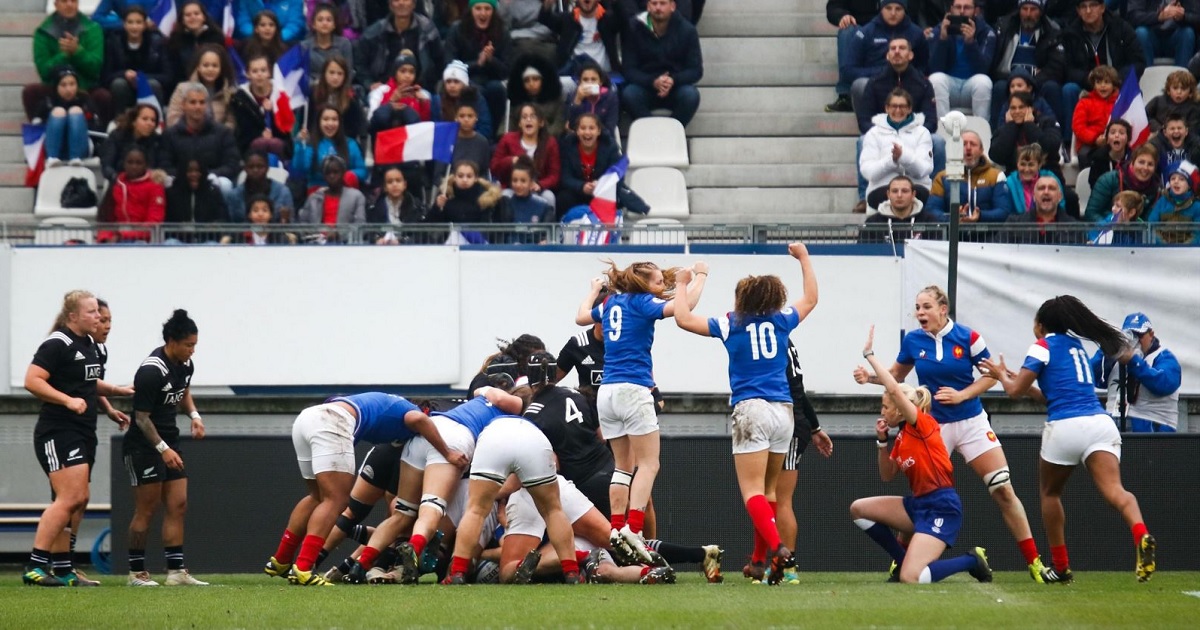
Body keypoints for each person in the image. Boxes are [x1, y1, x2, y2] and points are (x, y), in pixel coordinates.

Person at [853, 285, 1058, 582]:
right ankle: (903, 561)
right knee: (921, 493)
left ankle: (1034, 562)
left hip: (971, 420)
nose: (920, 313)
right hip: (934, 428)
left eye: (925, 307)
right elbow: (896, 377)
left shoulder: (968, 337)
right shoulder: (913, 340)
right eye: (917, 307)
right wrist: (868, 378)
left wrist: (962, 395)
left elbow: (991, 376)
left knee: (1002, 488)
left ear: (942, 309)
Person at [981, 296, 1157, 584]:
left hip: (1065, 427)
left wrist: (1002, 375)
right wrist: (1017, 381)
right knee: (1116, 491)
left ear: (1040, 325)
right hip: (1100, 423)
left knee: (1050, 494)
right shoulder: (1076, 347)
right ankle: (1141, 533)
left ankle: (1061, 567)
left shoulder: (1042, 346)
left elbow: (1013, 392)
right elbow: (1049, 394)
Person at [672, 242, 818, 585]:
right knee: (768, 493)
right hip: (784, 412)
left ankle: (780, 550)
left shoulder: (730, 322)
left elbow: (682, 318)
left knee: (751, 492)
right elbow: (811, 298)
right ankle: (757, 561)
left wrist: (681, 283)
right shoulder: (782, 321)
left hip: (751, 409)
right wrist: (804, 258)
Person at [573, 258, 708, 564]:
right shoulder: (642, 302)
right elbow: (684, 308)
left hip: (606, 392)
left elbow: (581, 316)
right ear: (645, 284)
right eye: (659, 282)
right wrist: (698, 278)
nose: (662, 286)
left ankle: (618, 528)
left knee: (622, 466)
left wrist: (594, 290)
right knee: (648, 465)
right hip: (634, 389)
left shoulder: (610, 303)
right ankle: (634, 529)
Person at [263, 392, 467, 586]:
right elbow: (419, 420)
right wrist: (448, 453)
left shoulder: (390, 404)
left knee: (317, 496)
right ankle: (304, 567)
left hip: (308, 418)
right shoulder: (413, 412)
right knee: (336, 500)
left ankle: (281, 560)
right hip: (332, 421)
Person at [851, 325, 993, 585]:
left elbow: (894, 388)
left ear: (900, 408)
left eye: (885, 407)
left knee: (912, 578)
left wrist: (869, 355)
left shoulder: (922, 423)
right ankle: (903, 559)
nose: (882, 412)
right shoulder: (902, 437)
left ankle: (972, 560)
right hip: (917, 505)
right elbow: (887, 475)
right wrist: (882, 442)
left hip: (942, 506)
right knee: (858, 509)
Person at [23, 290, 134, 587]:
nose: (98, 318)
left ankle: (63, 569)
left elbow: (86, 382)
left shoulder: (91, 346)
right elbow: (32, 380)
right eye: (93, 313)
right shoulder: (57, 342)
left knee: (79, 499)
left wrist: (113, 398)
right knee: (69, 498)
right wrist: (67, 401)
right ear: (73, 316)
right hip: (58, 430)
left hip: (84, 430)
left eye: (99, 313)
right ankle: (35, 566)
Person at [441, 386, 581, 585]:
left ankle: (457, 573)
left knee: (475, 511)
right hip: (533, 438)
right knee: (553, 510)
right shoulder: (535, 418)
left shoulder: (492, 410)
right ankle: (572, 573)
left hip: (495, 436)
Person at [123, 310, 207, 587]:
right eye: (188, 345)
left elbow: (182, 392)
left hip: (169, 441)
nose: (192, 351)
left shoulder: (185, 365)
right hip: (144, 446)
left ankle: (176, 572)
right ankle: (136, 573)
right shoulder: (150, 371)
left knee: (178, 504)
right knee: (147, 508)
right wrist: (162, 448)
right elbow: (142, 418)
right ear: (172, 341)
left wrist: (194, 417)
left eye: (195, 345)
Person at [768, 340, 833, 584]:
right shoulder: (782, 337)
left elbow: (794, 391)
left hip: (788, 425)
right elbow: (799, 390)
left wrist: (812, 427)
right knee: (767, 497)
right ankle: (774, 563)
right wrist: (815, 427)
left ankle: (787, 566)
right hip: (783, 423)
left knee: (780, 499)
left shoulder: (771, 337)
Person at [1059, 0, 1144, 151]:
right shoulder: (1070, 33)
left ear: (1103, 8)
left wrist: (1116, 79)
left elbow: (1138, 61)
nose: (1088, 10)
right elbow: (1066, 68)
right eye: (1083, 7)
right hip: (1086, 83)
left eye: (1093, 5)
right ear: (1078, 11)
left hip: (1116, 82)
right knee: (1068, 89)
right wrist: (1089, 79)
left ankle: (1134, 144)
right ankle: (1067, 145)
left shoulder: (1121, 27)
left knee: (1133, 90)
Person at [988, 0, 1066, 145]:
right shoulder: (1004, 26)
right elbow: (994, 64)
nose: (1028, 14)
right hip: (1007, 78)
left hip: (1037, 82)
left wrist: (1029, 82)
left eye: (1033, 9)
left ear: (1041, 11)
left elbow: (1056, 67)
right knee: (999, 87)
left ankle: (1059, 139)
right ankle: (995, 136)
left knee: (1052, 87)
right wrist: (1016, 78)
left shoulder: (1053, 30)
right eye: (1024, 9)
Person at [1092, 313, 1182, 433]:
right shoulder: (1118, 358)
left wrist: (1134, 362)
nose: (1135, 340)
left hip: (1152, 430)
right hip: (1115, 425)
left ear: (1151, 334)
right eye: (1130, 335)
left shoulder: (1164, 357)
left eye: (1139, 335)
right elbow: (1094, 377)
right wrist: (1106, 350)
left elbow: (1164, 384)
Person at [620, 0, 704, 127]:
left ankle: (670, 131)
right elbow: (629, 69)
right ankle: (652, 131)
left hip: (675, 87)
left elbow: (696, 70)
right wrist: (653, 81)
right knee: (629, 94)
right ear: (648, 6)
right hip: (646, 86)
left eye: (663, 3)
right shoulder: (634, 28)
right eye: (654, 3)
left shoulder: (687, 30)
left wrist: (673, 80)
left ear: (672, 6)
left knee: (691, 96)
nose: (658, 8)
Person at [845, 1, 929, 125]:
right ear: (881, 8)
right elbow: (848, 70)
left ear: (905, 10)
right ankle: (869, 129)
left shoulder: (916, 33)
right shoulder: (866, 32)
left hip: (907, 82)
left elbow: (925, 66)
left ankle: (915, 128)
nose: (893, 13)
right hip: (875, 83)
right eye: (888, 8)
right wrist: (881, 73)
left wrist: (907, 73)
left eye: (898, 9)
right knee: (859, 84)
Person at [26, 0, 108, 125]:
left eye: (73, 1)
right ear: (55, 4)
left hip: (84, 88)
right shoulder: (42, 32)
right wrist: (64, 55)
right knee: (30, 92)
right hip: (55, 89)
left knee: (103, 97)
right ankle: (39, 133)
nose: (69, 4)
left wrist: (77, 52)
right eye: (64, 1)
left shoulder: (93, 28)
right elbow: (44, 71)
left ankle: (99, 137)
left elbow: (96, 68)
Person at [860, 88, 934, 210]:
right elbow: (868, 172)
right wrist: (892, 161)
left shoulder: (922, 132)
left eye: (902, 106)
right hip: (882, 191)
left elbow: (924, 169)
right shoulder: (873, 133)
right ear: (886, 108)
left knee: (916, 195)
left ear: (909, 109)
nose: (898, 110)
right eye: (894, 106)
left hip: (917, 190)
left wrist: (902, 157)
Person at [445, 0, 512, 130]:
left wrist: (491, 60)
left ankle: (491, 134)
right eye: (478, 8)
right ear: (471, 10)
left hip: (492, 79)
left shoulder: (502, 32)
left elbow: (506, 70)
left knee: (496, 89)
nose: (483, 13)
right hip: (464, 78)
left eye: (487, 9)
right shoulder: (457, 30)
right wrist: (478, 63)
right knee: (474, 90)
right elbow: (450, 64)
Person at [163, 83, 242, 192]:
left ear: (207, 105)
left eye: (202, 102)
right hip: (180, 181)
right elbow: (165, 165)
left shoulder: (223, 133)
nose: (197, 107)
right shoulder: (170, 134)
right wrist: (187, 176)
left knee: (225, 185)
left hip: (212, 180)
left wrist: (208, 175)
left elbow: (232, 164)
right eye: (193, 102)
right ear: (183, 105)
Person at [927, 0, 996, 123]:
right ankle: (942, 130)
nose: (962, 11)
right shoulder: (938, 30)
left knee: (984, 82)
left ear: (976, 10)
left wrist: (971, 43)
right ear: (951, 9)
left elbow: (984, 69)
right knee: (935, 79)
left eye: (967, 7)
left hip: (972, 85)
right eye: (958, 7)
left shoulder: (986, 32)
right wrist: (943, 39)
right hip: (948, 85)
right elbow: (934, 68)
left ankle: (981, 132)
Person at [354, 0, 445, 93]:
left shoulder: (427, 29)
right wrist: (369, 83)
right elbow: (359, 63)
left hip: (419, 90)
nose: (401, 3)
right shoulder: (374, 32)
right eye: (396, 0)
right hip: (384, 90)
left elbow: (439, 61)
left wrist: (428, 84)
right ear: (390, 5)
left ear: (414, 4)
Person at [925, 130, 1013, 224]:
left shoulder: (996, 176)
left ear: (981, 150)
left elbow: (1003, 211)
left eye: (973, 144)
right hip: (952, 235)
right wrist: (953, 218)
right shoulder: (942, 177)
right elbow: (931, 210)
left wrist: (980, 216)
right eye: (963, 144)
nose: (968, 148)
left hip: (988, 236)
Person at [100, 5, 170, 113]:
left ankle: (155, 122)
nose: (134, 27)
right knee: (118, 84)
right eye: (130, 22)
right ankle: (120, 122)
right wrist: (124, 74)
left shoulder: (157, 42)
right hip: (124, 86)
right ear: (124, 24)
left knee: (152, 84)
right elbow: (106, 76)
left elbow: (167, 76)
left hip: (149, 84)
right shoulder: (113, 42)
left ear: (145, 25)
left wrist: (141, 78)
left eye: (138, 22)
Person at [491, 104, 560, 207]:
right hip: (512, 188)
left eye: (532, 116)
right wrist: (510, 161)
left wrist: (540, 185)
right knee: (505, 196)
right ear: (519, 123)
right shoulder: (507, 139)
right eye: (524, 117)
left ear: (540, 122)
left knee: (549, 197)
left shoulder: (550, 143)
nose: (528, 120)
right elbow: (494, 167)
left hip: (538, 188)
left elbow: (554, 175)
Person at [228, 54, 295, 159]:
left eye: (263, 70)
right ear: (247, 74)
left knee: (275, 144)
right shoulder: (240, 99)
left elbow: (286, 127)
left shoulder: (280, 94)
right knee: (259, 143)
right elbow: (243, 129)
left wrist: (272, 113)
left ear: (269, 73)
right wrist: (260, 134)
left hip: (279, 144)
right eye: (255, 71)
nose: (259, 74)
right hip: (249, 148)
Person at [539, 0, 622, 83]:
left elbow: (622, 19)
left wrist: (615, 3)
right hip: (573, 75)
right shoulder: (568, 19)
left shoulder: (607, 19)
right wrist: (547, 5)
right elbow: (545, 19)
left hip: (604, 75)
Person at [558, 113, 621, 216]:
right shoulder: (568, 146)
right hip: (577, 192)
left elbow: (616, 175)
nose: (587, 132)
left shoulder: (610, 147)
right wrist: (582, 186)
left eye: (591, 128)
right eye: (583, 128)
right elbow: (565, 177)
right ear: (577, 131)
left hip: (601, 192)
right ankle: (563, 230)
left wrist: (600, 184)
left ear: (598, 131)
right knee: (563, 197)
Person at [97, 147, 166, 243]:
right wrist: (105, 238)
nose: (134, 166)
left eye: (139, 163)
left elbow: (154, 223)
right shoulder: (116, 184)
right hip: (117, 239)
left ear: (146, 165)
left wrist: (123, 235)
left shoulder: (155, 187)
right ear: (124, 164)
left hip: (145, 241)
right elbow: (106, 218)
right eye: (130, 162)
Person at [824, 0, 881, 112]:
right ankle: (846, 96)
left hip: (894, 28)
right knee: (847, 30)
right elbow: (834, 7)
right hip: (861, 30)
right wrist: (843, 16)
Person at [294, 105, 368, 191]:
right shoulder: (310, 143)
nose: (330, 123)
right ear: (319, 122)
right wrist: (299, 145)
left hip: (344, 191)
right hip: (318, 192)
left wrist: (349, 175)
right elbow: (301, 169)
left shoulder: (350, 143)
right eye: (325, 119)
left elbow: (363, 171)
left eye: (334, 119)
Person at [37, 67, 99, 168]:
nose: (68, 89)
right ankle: (52, 158)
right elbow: (37, 128)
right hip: (53, 146)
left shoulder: (85, 101)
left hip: (81, 147)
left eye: (72, 84)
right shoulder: (47, 102)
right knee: (59, 112)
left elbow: (96, 128)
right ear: (56, 86)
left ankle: (75, 157)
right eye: (63, 85)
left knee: (75, 110)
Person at [165, 44, 236, 128]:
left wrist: (218, 136)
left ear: (221, 68)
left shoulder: (230, 92)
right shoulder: (182, 89)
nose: (210, 69)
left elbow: (231, 123)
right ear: (198, 67)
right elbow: (172, 120)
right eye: (206, 65)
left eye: (215, 66)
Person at [991, 91, 1064, 175]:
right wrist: (1010, 127)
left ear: (1031, 108)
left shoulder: (1047, 122)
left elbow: (1050, 147)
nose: (1017, 111)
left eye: (1021, 107)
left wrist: (1029, 125)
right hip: (1015, 178)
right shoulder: (1005, 128)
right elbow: (996, 155)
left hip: (1046, 175)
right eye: (1013, 108)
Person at [1085, 144, 1161, 222]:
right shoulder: (1109, 180)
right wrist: (1111, 226)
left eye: (1150, 164)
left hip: (1140, 233)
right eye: (1141, 162)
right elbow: (1091, 213)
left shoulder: (1157, 189)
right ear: (1132, 162)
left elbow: (1152, 221)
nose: (1145, 168)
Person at [857, 175, 942, 244]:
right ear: (888, 194)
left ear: (913, 194)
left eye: (905, 191)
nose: (899, 195)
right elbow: (862, 254)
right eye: (894, 191)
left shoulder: (929, 221)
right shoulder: (872, 223)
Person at [165, 1, 227, 90]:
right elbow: (173, 71)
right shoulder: (175, 39)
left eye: (196, 14)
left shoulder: (216, 37)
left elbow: (222, 66)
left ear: (204, 17)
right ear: (182, 19)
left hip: (214, 86)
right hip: (182, 87)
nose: (193, 17)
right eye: (188, 15)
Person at [165, 159, 230, 242]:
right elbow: (167, 221)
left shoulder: (213, 192)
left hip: (206, 239)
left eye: (198, 171)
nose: (194, 174)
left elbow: (223, 218)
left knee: (212, 245)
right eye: (189, 171)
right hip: (180, 240)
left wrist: (214, 225)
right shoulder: (172, 193)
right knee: (170, 243)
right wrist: (179, 227)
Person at [99, 104, 166, 184]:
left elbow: (161, 167)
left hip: (147, 186)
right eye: (145, 119)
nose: (150, 123)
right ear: (134, 121)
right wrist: (117, 178)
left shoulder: (158, 141)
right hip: (120, 183)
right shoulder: (117, 136)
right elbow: (107, 165)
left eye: (153, 120)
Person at [1006, 175, 1083, 243]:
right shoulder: (1014, 224)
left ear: (1060, 197)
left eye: (1051, 188)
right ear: (1034, 197)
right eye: (1041, 188)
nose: (1046, 192)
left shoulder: (1075, 227)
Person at [307, 56, 367, 141]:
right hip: (316, 141)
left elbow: (359, 126)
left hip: (342, 143)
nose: (335, 77)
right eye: (331, 72)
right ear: (324, 73)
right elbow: (307, 122)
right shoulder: (313, 94)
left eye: (340, 74)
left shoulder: (351, 98)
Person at [226, 151, 295, 223]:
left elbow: (291, 224)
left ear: (267, 168)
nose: (255, 170)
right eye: (251, 167)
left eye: (260, 166)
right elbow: (231, 224)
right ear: (245, 168)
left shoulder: (283, 192)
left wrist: (285, 219)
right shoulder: (234, 195)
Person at [298, 155, 368, 227]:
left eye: (336, 172)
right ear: (323, 175)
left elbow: (360, 224)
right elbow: (303, 222)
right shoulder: (314, 198)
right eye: (328, 173)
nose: (332, 176)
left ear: (343, 173)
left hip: (345, 238)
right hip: (317, 237)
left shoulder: (356, 196)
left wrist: (339, 233)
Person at [1071, 66, 1119, 166]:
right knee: (1085, 155)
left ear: (1114, 85)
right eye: (1098, 82)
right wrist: (1095, 139)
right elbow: (1078, 127)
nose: (1102, 86)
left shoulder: (1120, 102)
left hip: (1115, 141)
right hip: (1089, 144)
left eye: (1107, 82)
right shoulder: (1084, 102)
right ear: (1093, 85)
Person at [506, 54, 565, 136]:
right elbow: (508, 124)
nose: (531, 84)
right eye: (526, 80)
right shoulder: (515, 100)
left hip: (548, 141)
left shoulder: (556, 97)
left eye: (535, 79)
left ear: (544, 80)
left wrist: (539, 139)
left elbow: (558, 125)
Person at [1127, 0, 1198, 68]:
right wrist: (1158, 17)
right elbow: (1133, 16)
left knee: (1187, 33)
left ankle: (1182, 78)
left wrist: (1183, 16)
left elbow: (1196, 17)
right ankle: (1145, 77)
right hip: (1151, 35)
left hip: (1176, 36)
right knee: (1141, 32)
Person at [367, 166, 428, 244]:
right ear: (385, 187)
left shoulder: (416, 206)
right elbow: (369, 231)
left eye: (398, 181)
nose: (394, 185)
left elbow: (420, 234)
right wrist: (377, 239)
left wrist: (402, 242)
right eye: (390, 182)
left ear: (405, 184)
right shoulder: (374, 207)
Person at [367, 50, 433, 121]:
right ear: (395, 73)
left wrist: (423, 104)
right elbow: (373, 120)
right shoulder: (380, 91)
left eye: (411, 72)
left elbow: (424, 125)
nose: (407, 76)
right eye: (403, 71)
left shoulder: (421, 94)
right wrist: (391, 101)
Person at [1146, 161, 1200, 244]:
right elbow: (1151, 226)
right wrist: (1162, 245)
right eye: (1173, 178)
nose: (1176, 181)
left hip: (1188, 253)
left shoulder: (1196, 206)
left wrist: (1184, 249)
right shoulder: (1162, 201)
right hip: (1161, 250)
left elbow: (1197, 234)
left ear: (1189, 185)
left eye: (1181, 179)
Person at [301, 3, 354, 87]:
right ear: (313, 24)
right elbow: (303, 75)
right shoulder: (304, 46)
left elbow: (348, 72)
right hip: (314, 90)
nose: (324, 23)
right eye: (320, 20)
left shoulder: (344, 44)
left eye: (329, 20)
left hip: (339, 89)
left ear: (334, 25)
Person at [565, 62, 619, 136]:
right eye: (585, 80)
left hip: (603, 140)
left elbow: (610, 128)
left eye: (593, 79)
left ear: (600, 82)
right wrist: (577, 101)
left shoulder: (610, 97)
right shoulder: (573, 96)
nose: (590, 83)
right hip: (578, 140)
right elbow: (571, 126)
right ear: (580, 82)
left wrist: (591, 132)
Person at [235, 0, 307, 46]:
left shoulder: (295, 1)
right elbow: (243, 23)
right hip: (254, 42)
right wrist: (260, 36)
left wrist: (275, 37)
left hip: (285, 43)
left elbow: (295, 24)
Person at [1088, 119, 1133, 186]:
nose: (1117, 135)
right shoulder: (1098, 158)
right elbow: (1094, 183)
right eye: (1112, 132)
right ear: (1107, 139)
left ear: (1128, 139)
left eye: (1121, 133)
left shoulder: (1133, 157)